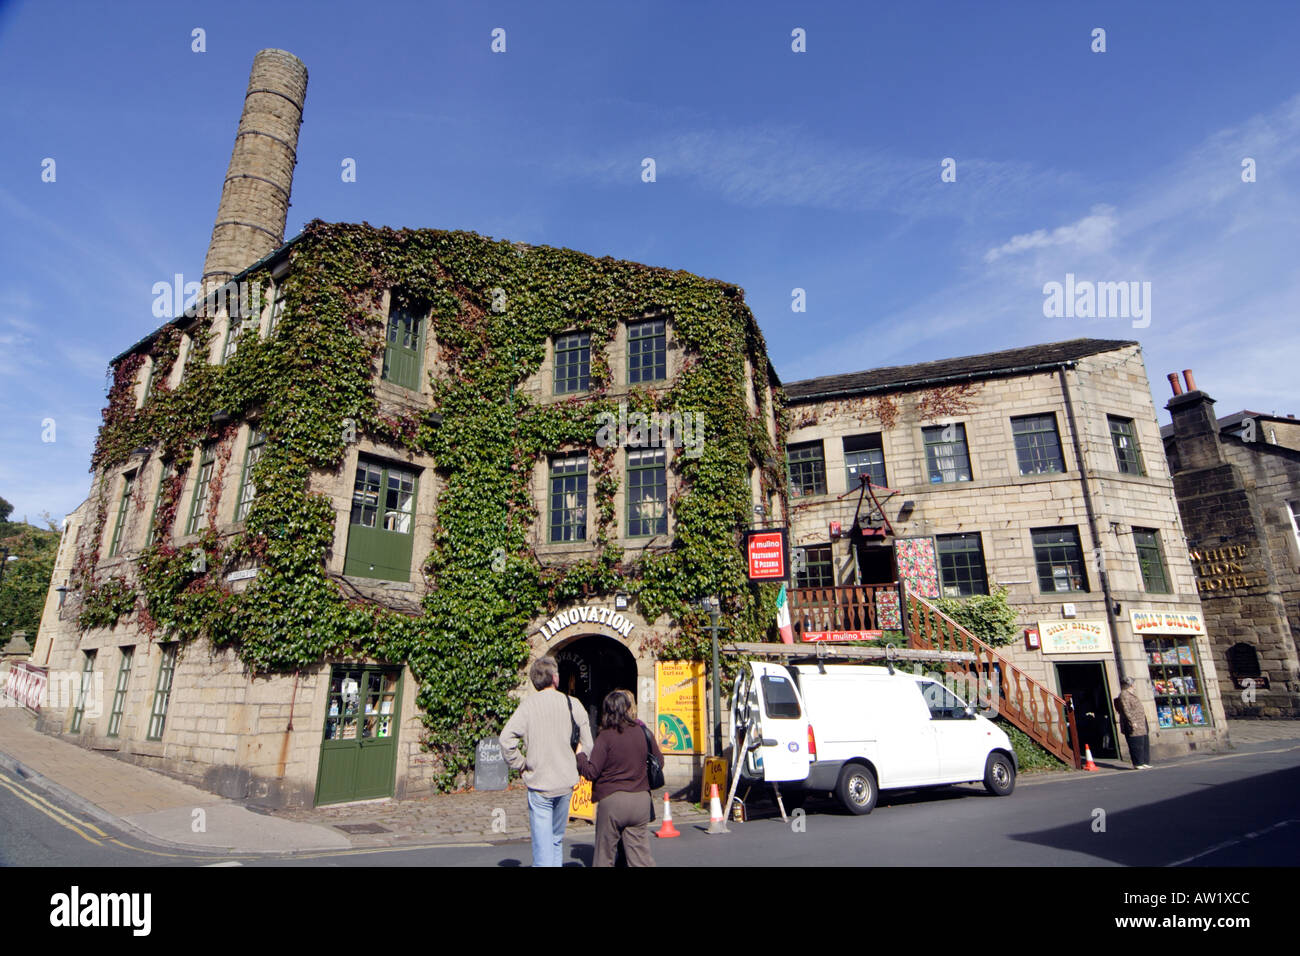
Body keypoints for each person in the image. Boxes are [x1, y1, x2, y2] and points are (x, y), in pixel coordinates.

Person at [499, 656, 593, 867]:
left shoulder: (528, 706)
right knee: (556, 839)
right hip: (566, 782)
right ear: (555, 678)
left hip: (540, 783)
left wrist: (520, 764)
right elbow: (588, 743)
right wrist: (576, 761)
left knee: (542, 849)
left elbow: (506, 740)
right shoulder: (573, 703)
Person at [576, 689, 664, 867]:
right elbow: (659, 762)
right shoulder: (643, 732)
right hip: (640, 800)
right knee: (640, 857)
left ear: (606, 711)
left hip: (613, 802)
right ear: (627, 709)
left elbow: (592, 772)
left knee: (605, 855)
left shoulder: (606, 736)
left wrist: (580, 757)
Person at [1114, 677, 1152, 769]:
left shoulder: (1131, 694)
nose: (1134, 686)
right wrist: (1132, 722)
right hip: (1134, 723)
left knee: (1143, 742)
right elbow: (1126, 709)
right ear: (1129, 685)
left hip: (1141, 722)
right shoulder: (1124, 695)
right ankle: (1138, 763)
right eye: (1132, 684)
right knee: (1136, 743)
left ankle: (1144, 761)